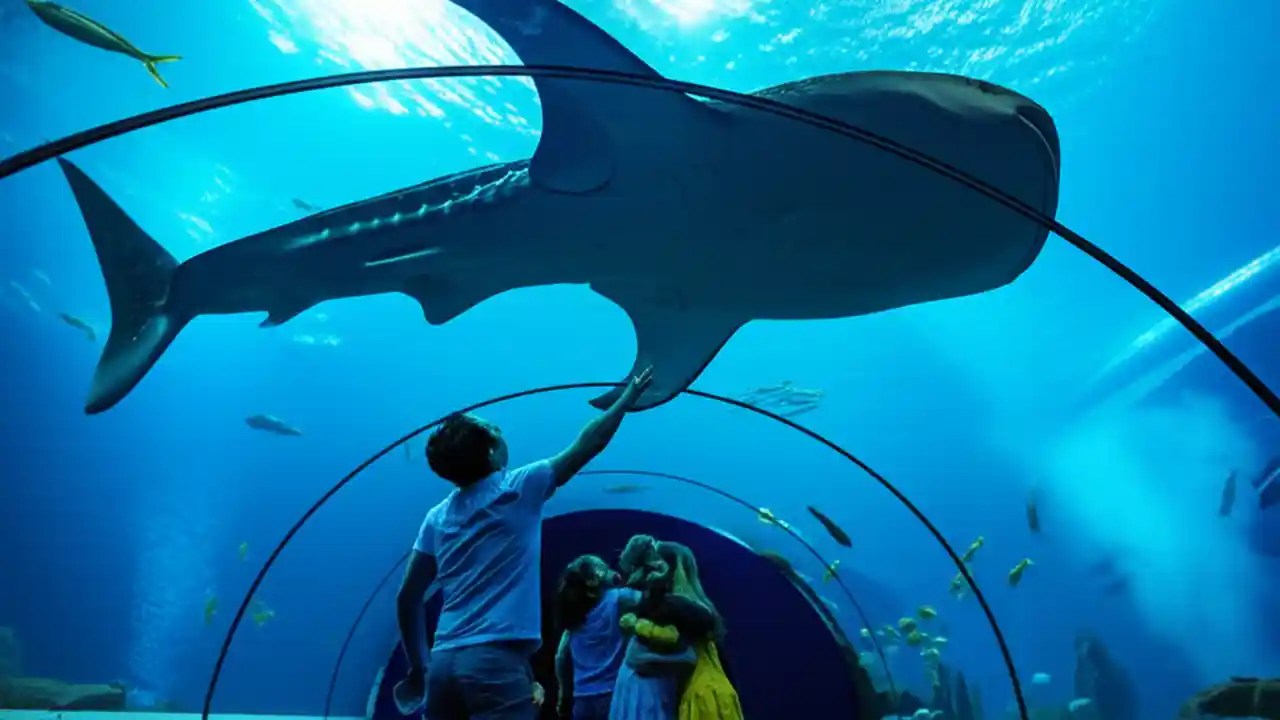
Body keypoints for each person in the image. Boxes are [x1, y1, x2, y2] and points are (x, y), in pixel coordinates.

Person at [394, 368, 653, 720]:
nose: (502, 435)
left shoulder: (436, 517)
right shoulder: (517, 488)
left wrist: (418, 668)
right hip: (493, 662)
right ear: (490, 452)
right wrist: (627, 397)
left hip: (443, 664)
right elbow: (587, 444)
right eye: (495, 432)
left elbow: (408, 596)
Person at [619, 537, 743, 720]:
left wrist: (637, 624)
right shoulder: (698, 607)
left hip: (700, 698)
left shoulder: (671, 610)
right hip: (717, 693)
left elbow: (644, 654)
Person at [608, 545, 716, 720]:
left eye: (656, 567)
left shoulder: (665, 606)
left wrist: (637, 625)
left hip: (651, 688)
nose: (649, 574)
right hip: (658, 688)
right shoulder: (700, 609)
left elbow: (637, 656)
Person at [552, 555, 637, 719]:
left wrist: (564, 696)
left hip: (582, 700)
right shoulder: (619, 598)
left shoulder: (573, 616)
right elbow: (654, 599)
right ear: (594, 579)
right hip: (615, 694)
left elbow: (561, 658)